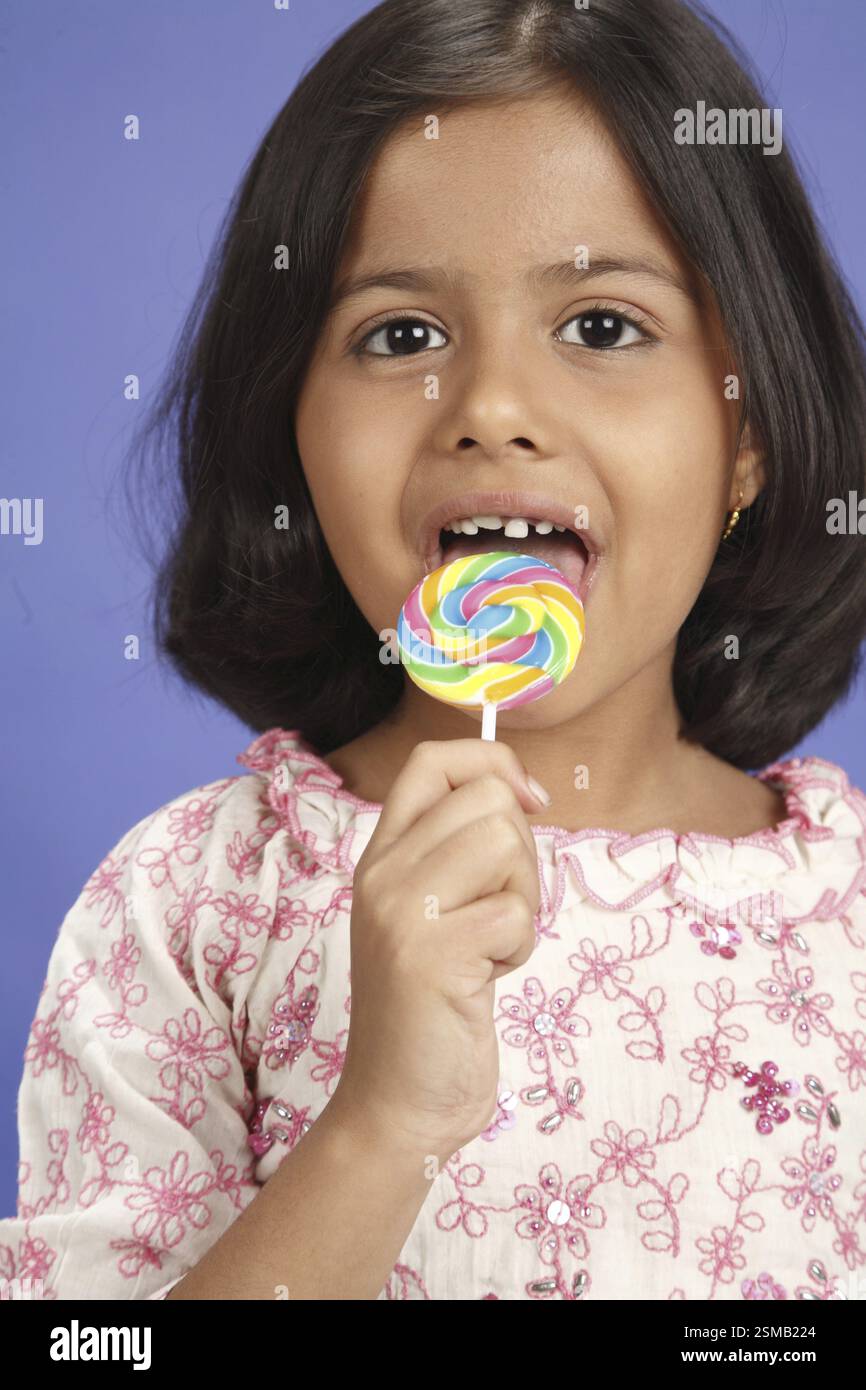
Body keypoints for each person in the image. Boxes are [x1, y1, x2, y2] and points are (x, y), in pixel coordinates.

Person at [3, 0, 866, 1301]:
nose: (493, 409)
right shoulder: (191, 909)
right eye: (400, 335)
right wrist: (378, 1128)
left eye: (601, 326)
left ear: (747, 433)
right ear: (289, 425)